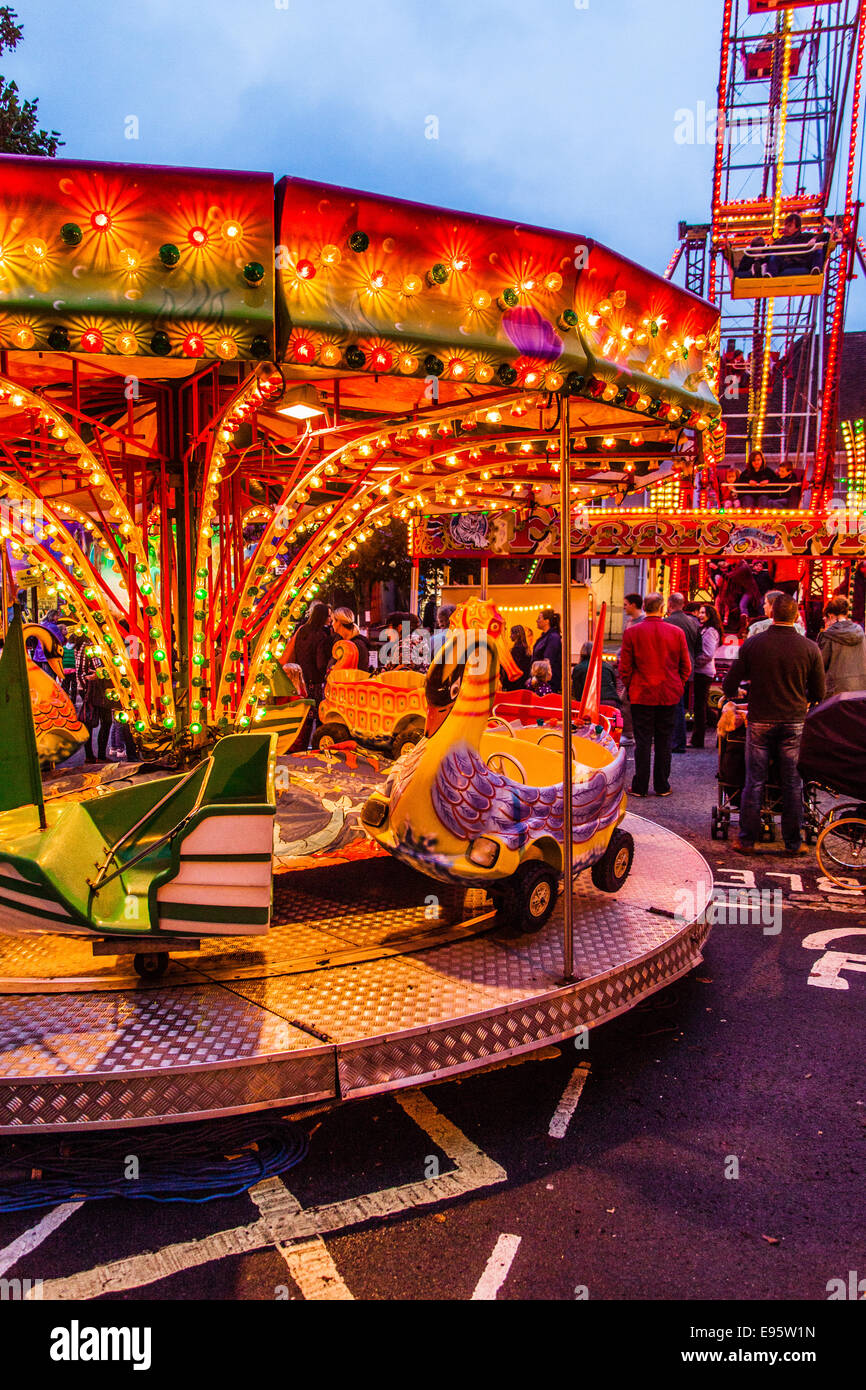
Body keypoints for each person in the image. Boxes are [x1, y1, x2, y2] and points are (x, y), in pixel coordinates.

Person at [722, 593, 825, 855]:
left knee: (754, 781)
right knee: (792, 782)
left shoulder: (754, 644)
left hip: (760, 719)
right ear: (796, 615)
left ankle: (747, 840)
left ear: (771, 614)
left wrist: (739, 694)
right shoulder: (810, 648)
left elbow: (730, 684)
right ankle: (793, 842)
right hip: (793, 721)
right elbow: (818, 693)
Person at [619, 593, 690, 798]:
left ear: (645, 607)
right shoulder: (676, 633)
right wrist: (678, 684)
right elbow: (685, 666)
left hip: (642, 693)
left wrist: (631, 685)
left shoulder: (633, 633)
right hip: (668, 693)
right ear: (662, 609)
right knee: (664, 739)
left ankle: (640, 786)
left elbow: (625, 667)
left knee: (642, 740)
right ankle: (662, 784)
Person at [664, 593, 700, 754]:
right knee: (680, 705)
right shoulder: (693, 623)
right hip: (689, 667)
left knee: (675, 706)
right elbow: (698, 648)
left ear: (670, 604)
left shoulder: (668, 623)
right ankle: (678, 741)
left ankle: (677, 742)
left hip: (672, 669)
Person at [817, 596, 866, 696]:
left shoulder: (828, 635)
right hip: (860, 689)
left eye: (825, 618)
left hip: (836, 691)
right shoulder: (860, 631)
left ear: (830, 616)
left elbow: (820, 665)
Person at [691, 602, 723, 749]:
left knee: (699, 706)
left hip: (703, 672)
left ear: (710, 615)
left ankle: (698, 739)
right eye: (700, 612)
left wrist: (694, 663)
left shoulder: (710, 631)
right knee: (702, 704)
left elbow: (708, 654)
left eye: (704, 613)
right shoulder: (705, 629)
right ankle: (718, 724)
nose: (701, 615)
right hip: (703, 671)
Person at [293, 601, 334, 703]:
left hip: (301, 678)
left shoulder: (302, 631)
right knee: (316, 707)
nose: (331, 619)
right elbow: (320, 662)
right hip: (315, 680)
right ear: (322, 617)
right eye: (328, 616)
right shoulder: (320, 635)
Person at [616, 593, 644, 745]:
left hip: (636, 671)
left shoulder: (641, 623)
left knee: (626, 701)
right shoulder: (630, 622)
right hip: (631, 669)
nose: (624, 607)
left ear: (633, 605)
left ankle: (629, 734)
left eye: (626, 604)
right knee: (626, 701)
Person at [765, 213, 824, 278]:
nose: (786, 228)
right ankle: (770, 274)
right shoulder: (779, 242)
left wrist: (814, 239)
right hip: (785, 264)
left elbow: (825, 235)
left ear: (797, 228)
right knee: (773, 256)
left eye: (789, 226)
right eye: (785, 225)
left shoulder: (805, 237)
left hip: (803, 263)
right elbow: (769, 251)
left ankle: (816, 269)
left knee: (818, 249)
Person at [572, 641, 620, 709]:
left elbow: (577, 690)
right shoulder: (607, 666)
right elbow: (614, 685)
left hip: (592, 702)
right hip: (612, 701)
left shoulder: (578, 668)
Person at [331, 607, 370, 672]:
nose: (332, 624)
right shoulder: (341, 642)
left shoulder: (357, 645)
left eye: (333, 621)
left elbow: (361, 672)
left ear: (339, 622)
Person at [532, 610, 562, 693]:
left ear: (547, 621)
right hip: (541, 680)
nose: (537, 620)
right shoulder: (545, 637)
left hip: (547, 682)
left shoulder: (553, 637)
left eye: (539, 618)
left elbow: (548, 660)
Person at [502, 624, 532, 691]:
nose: (510, 636)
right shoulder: (525, 647)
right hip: (523, 681)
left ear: (517, 634)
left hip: (516, 683)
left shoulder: (517, 649)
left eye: (512, 634)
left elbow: (514, 666)